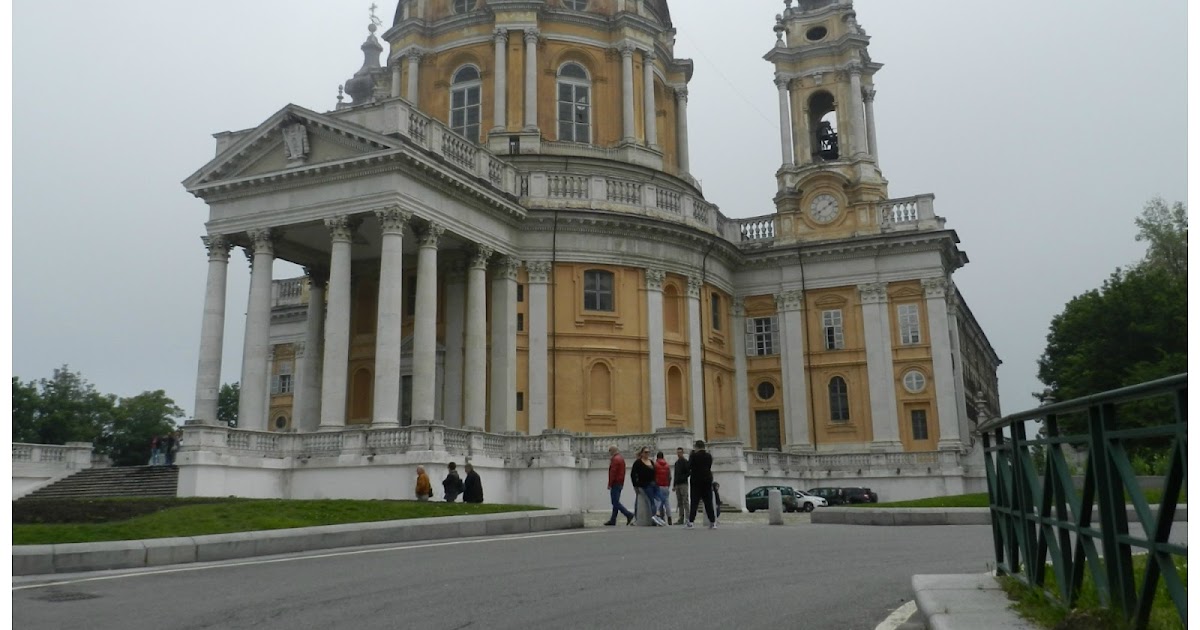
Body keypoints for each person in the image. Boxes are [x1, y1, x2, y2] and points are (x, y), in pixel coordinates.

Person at [630, 447, 664, 526]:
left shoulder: (651, 461)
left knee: (661, 499)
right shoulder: (638, 462)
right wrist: (635, 485)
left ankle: (657, 515)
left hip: (654, 483)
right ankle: (654, 517)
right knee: (652, 501)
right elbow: (633, 474)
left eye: (648, 452)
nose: (647, 454)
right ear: (642, 453)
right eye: (645, 452)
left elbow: (654, 472)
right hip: (645, 484)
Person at [687, 440, 716, 529]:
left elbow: (689, 466)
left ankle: (691, 522)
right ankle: (712, 522)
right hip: (707, 480)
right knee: (708, 502)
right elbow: (709, 466)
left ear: (696, 447)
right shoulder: (709, 456)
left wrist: (691, 456)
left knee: (694, 502)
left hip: (696, 480)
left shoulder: (693, 456)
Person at [604, 446, 634, 526]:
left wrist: (610, 484)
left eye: (610, 451)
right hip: (620, 482)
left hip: (615, 483)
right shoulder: (621, 459)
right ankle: (613, 519)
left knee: (615, 502)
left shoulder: (615, 459)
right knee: (616, 501)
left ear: (612, 451)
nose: (609, 453)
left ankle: (628, 514)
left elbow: (613, 473)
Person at [673, 447, 690, 526]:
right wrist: (674, 484)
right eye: (678, 452)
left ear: (682, 453)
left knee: (685, 501)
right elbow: (675, 474)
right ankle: (681, 517)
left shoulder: (685, 462)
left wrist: (683, 478)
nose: (679, 454)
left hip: (683, 484)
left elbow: (688, 472)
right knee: (679, 502)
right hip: (678, 484)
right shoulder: (676, 463)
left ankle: (688, 518)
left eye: (680, 452)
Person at [654, 451, 672, 524]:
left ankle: (661, 517)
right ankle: (669, 517)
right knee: (667, 502)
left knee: (659, 502)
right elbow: (670, 477)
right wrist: (668, 484)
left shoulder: (655, 465)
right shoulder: (667, 465)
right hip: (666, 486)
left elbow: (654, 476)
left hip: (658, 486)